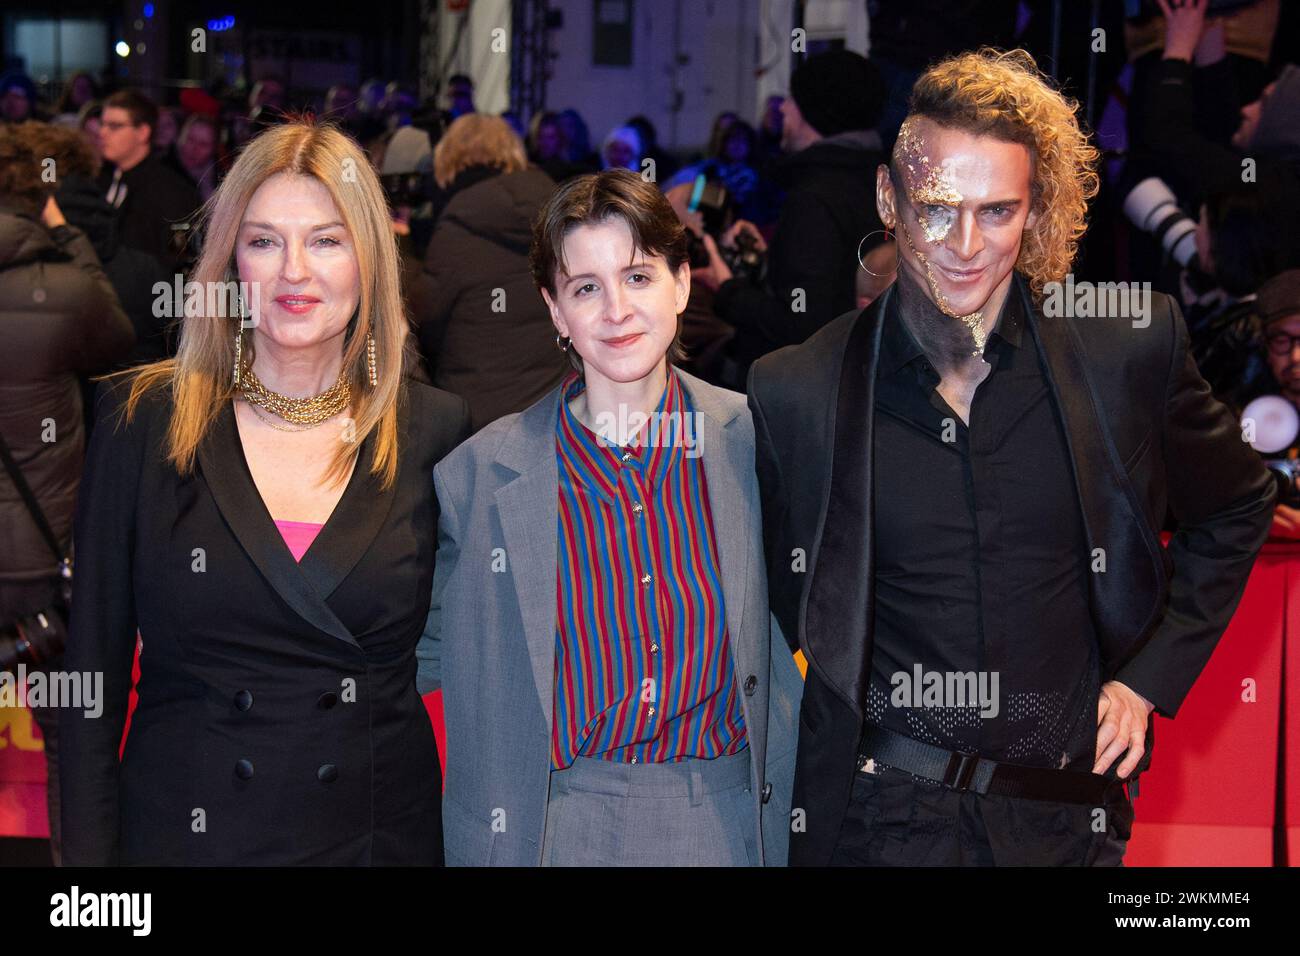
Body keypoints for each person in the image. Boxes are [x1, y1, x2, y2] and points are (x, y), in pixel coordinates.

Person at [749, 48, 1277, 867]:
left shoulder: (1125, 349)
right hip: (879, 821)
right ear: (889, 198)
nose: (964, 244)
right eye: (936, 208)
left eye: (996, 212)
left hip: (1066, 822)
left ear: (1034, 213)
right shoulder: (797, 389)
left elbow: (1239, 505)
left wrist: (1145, 681)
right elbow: (787, 597)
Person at [59, 118, 470, 866]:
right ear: (228, 264)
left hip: (375, 841)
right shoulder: (143, 421)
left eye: (326, 240)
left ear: (370, 261)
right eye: (263, 241)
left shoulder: (437, 431)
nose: (294, 274)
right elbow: (91, 685)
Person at [417, 168, 802, 866]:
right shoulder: (476, 477)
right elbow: (434, 666)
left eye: (639, 276)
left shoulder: (757, 442)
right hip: (555, 824)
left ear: (683, 283)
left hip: (723, 817)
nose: (616, 310)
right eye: (585, 288)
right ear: (556, 311)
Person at [0, 121, 135, 866]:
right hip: (46, 562)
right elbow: (116, 337)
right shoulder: (65, 289)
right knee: (68, 742)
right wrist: (67, 233)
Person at [711, 49, 887, 382]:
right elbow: (830, 279)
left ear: (816, 112)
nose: (784, 108)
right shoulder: (879, 180)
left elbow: (802, 322)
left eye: (793, 99)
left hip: (808, 390)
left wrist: (726, 289)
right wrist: (770, 262)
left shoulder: (816, 197)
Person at [412, 114, 566, 431]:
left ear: (446, 158)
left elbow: (427, 326)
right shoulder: (560, 216)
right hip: (551, 414)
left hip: (472, 421)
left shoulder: (457, 225)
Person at [97, 90, 202, 270]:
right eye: (102, 124)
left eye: (114, 126)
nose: (102, 133)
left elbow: (179, 262)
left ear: (143, 132)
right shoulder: (99, 180)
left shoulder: (171, 191)